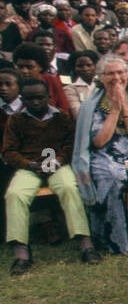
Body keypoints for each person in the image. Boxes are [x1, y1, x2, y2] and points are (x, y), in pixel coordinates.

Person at [3, 79, 98, 274]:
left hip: (57, 165)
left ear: (49, 97)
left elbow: (71, 144)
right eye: (29, 99)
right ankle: (21, 252)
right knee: (14, 194)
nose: (35, 102)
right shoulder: (16, 120)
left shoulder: (61, 117)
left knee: (70, 188)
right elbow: (8, 151)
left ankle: (85, 244)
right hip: (30, 167)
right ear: (22, 99)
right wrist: (28, 164)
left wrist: (58, 160)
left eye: (40, 98)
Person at [72, 54, 128, 255]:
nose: (116, 77)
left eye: (120, 72)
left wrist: (126, 111)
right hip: (105, 153)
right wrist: (114, 110)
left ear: (127, 74)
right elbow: (99, 141)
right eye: (110, 73)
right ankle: (117, 242)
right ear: (101, 77)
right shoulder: (91, 106)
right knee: (112, 177)